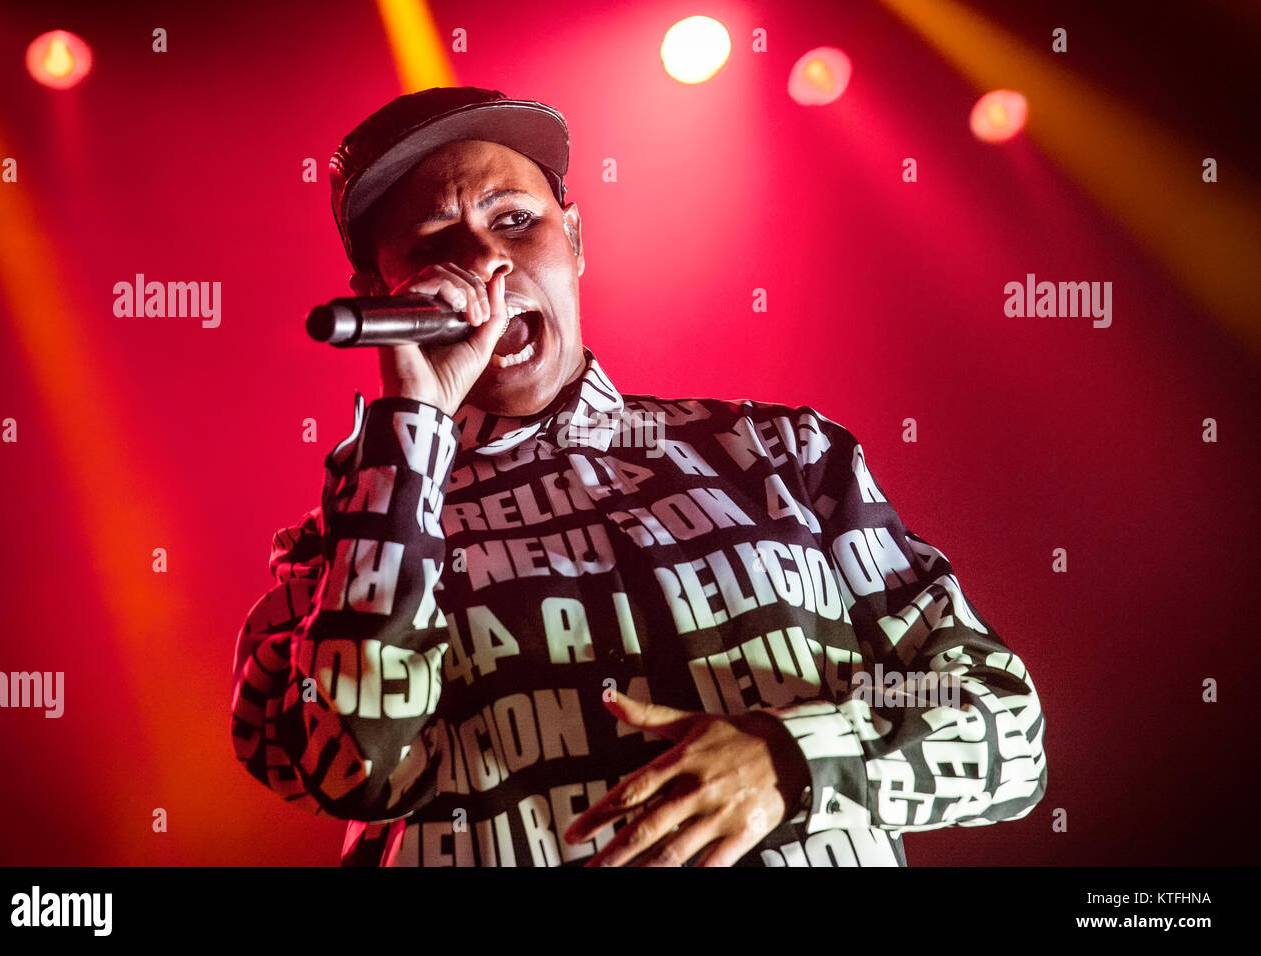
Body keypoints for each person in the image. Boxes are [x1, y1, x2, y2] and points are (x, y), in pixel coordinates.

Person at [230, 86, 1047, 867]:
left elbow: (1006, 728)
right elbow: (355, 772)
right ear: (379, 294)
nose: (486, 263)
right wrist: (412, 430)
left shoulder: (780, 454)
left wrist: (793, 759)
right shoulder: (340, 548)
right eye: (437, 244)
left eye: (515, 221)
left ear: (575, 240)